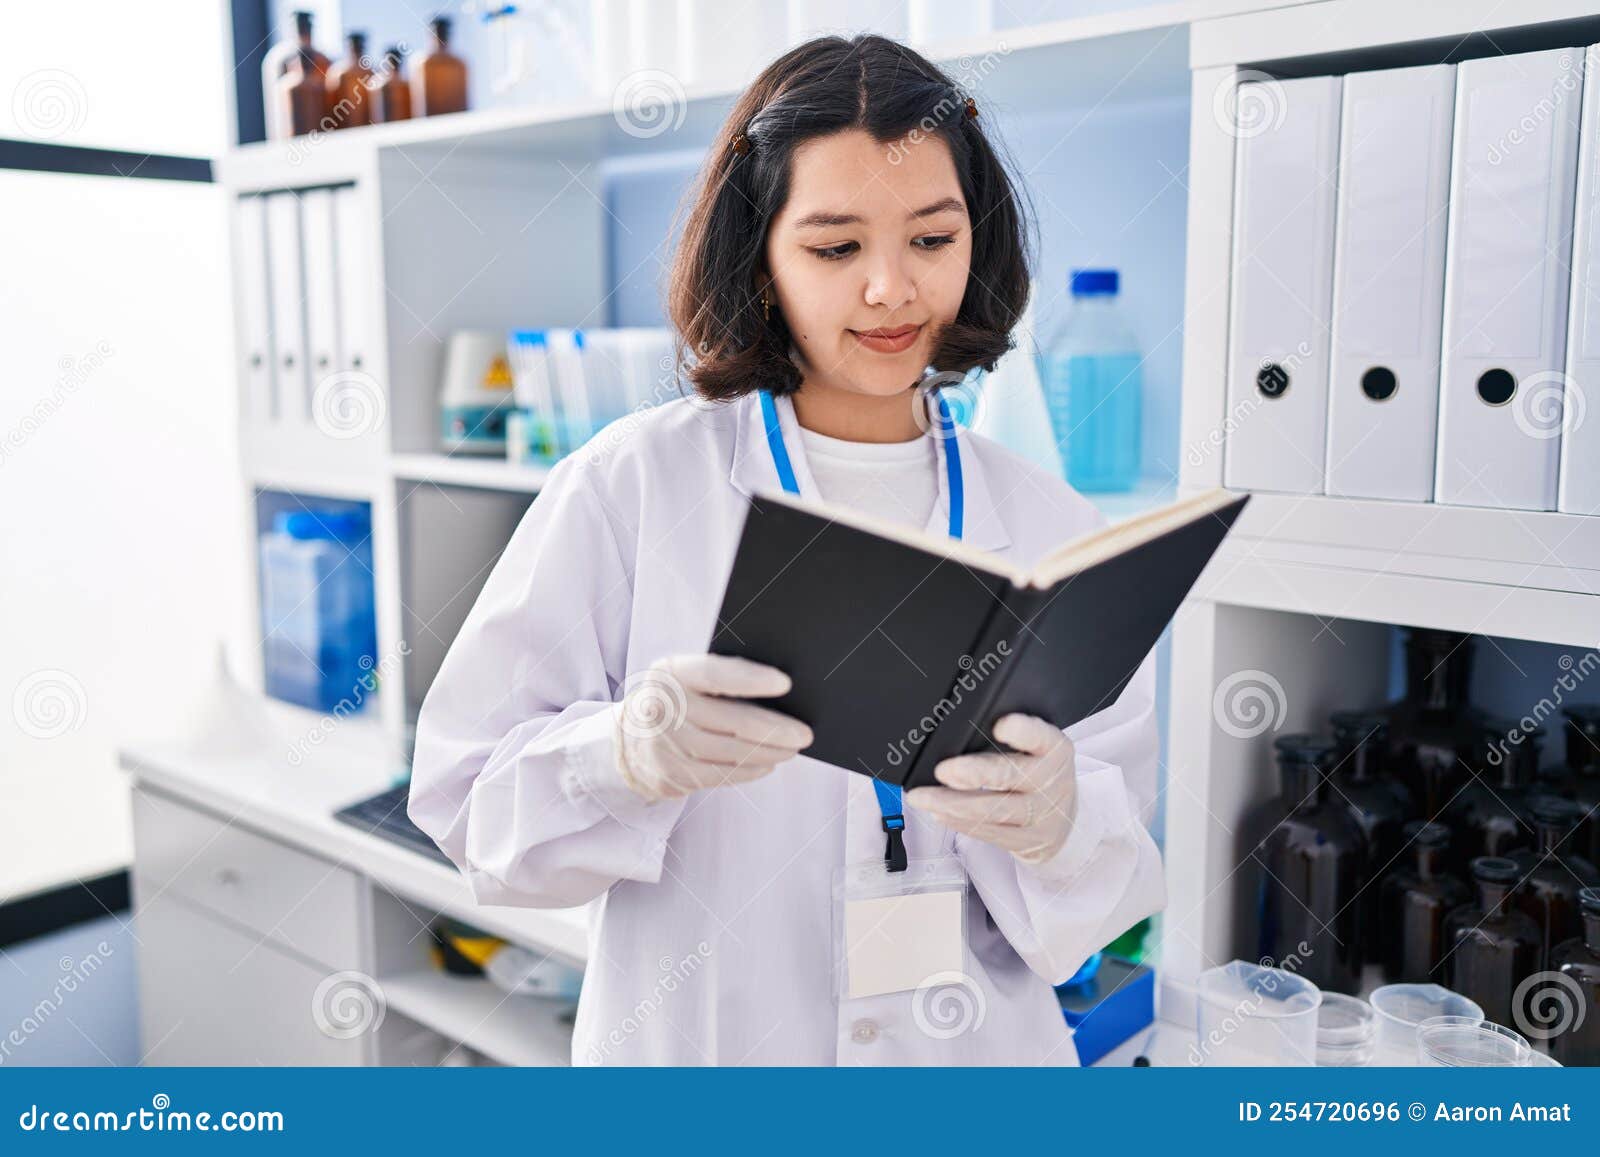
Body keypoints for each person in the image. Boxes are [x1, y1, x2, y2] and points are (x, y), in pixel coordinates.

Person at [409, 33, 1164, 1065]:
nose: (892, 289)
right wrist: (621, 753)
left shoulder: (1051, 522)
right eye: (835, 246)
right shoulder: (631, 483)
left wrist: (1062, 822)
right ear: (758, 253)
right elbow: (468, 811)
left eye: (933, 240)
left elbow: (1090, 921)